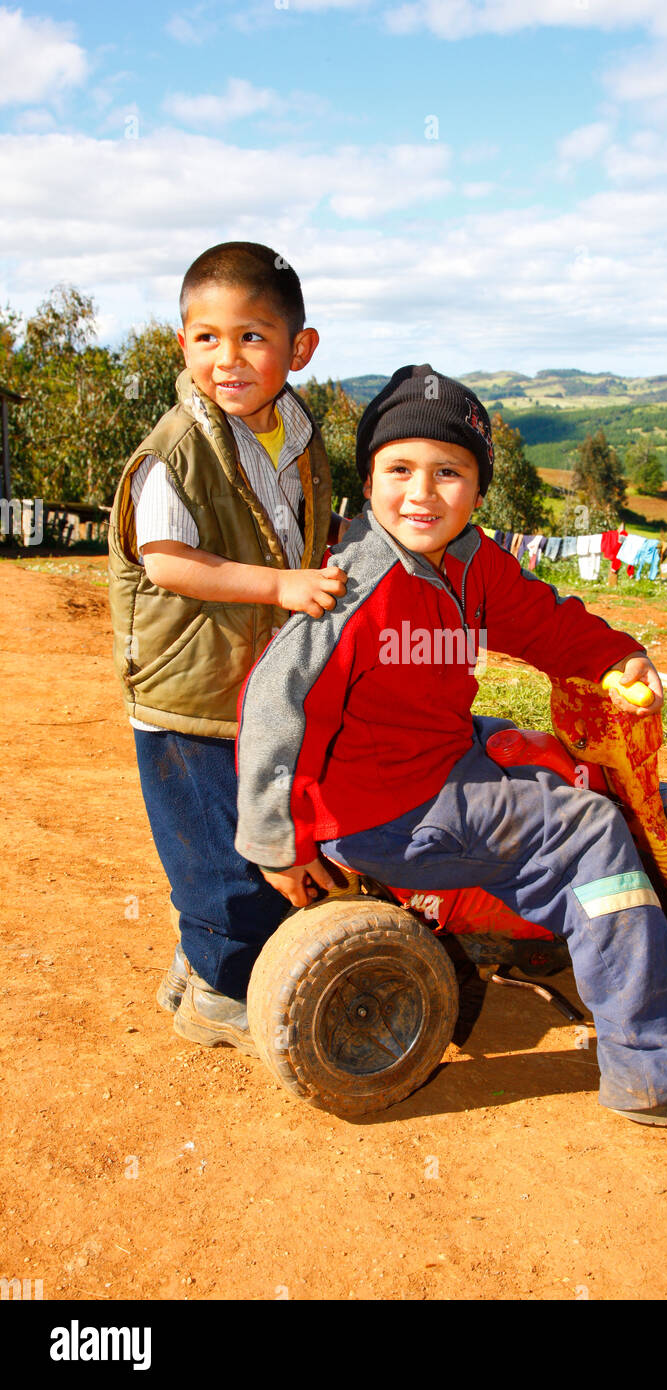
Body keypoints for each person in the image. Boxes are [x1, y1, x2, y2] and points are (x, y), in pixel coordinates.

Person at [234, 365, 667, 1130]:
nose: (422, 493)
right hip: (391, 805)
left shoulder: (467, 560)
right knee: (589, 832)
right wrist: (274, 841)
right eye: (400, 470)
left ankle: (517, 924)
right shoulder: (358, 584)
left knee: (533, 750)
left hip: (434, 760)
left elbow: (539, 618)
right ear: (370, 479)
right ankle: (659, 1073)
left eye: (448, 472)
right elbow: (273, 702)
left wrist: (612, 654)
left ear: (478, 489)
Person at [108, 241, 347, 1055]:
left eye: (251, 336)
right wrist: (281, 588)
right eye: (206, 337)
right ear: (183, 345)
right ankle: (221, 992)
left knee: (250, 833)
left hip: (253, 687)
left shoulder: (298, 436)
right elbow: (170, 563)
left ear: (299, 349)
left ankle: (200, 964)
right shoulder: (174, 449)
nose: (228, 357)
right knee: (217, 853)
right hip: (188, 692)